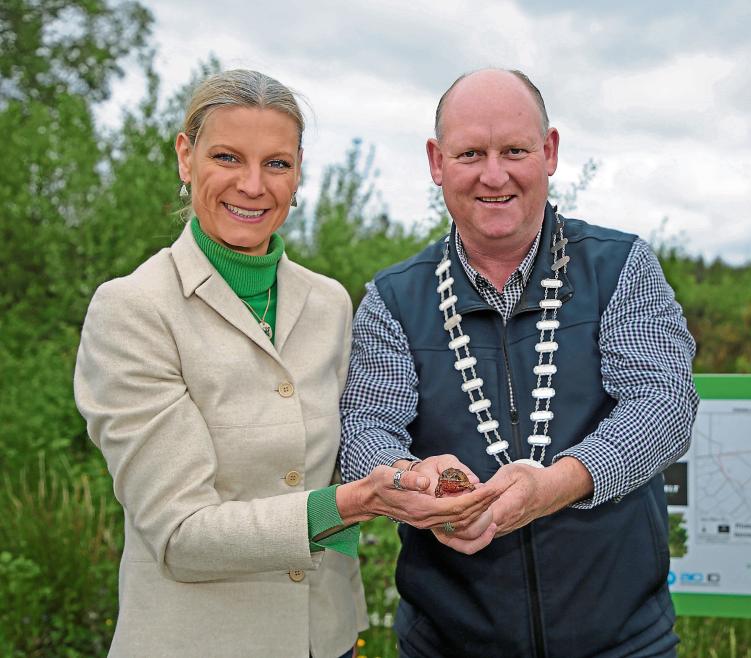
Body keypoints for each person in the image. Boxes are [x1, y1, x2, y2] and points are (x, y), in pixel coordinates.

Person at [74, 69, 497, 658]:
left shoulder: (327, 303)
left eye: (276, 164)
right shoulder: (133, 311)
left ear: (298, 175)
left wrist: (416, 478)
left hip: (325, 641)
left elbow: (348, 453)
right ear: (185, 157)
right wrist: (359, 502)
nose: (253, 185)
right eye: (227, 157)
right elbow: (180, 534)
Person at [340, 68, 699, 658]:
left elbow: (663, 405)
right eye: (470, 153)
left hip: (623, 642)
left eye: (514, 150)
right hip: (446, 643)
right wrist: (413, 478)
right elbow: (364, 428)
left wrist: (558, 484)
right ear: (436, 162)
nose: (494, 174)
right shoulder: (393, 298)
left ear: (550, 152)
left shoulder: (621, 267)